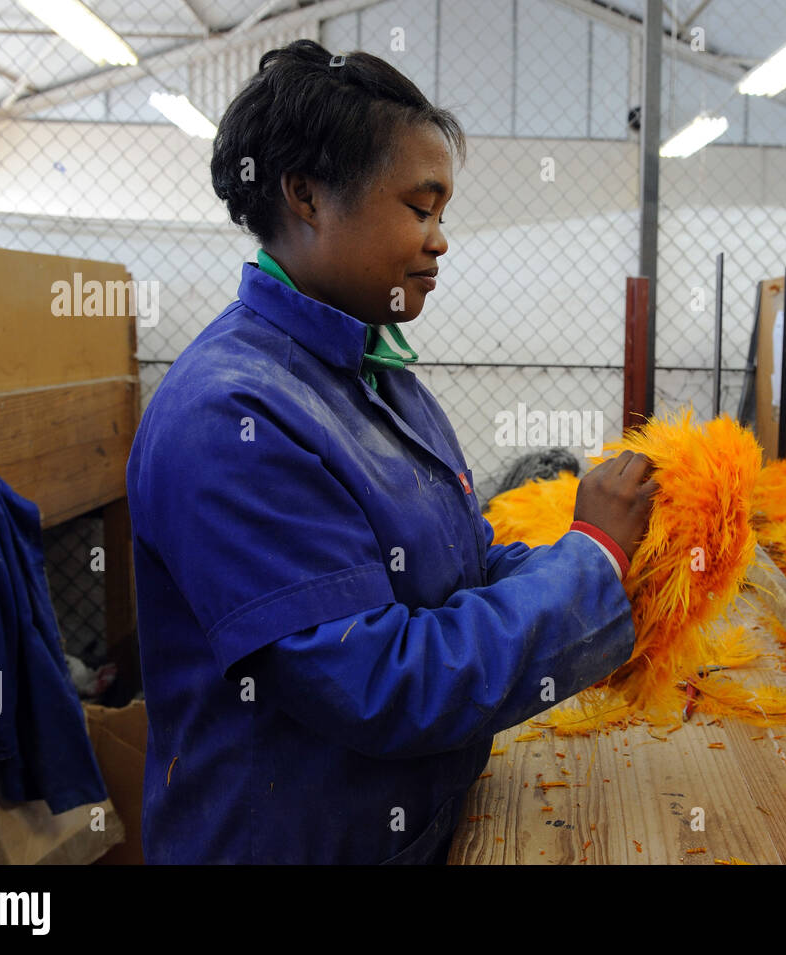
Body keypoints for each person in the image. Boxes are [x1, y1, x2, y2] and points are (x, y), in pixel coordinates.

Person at [125, 40, 657, 864]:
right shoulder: (231, 414)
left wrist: (618, 573)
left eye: (443, 213)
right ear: (306, 195)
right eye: (420, 207)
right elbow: (378, 681)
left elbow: (468, 569)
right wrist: (590, 559)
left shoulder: (380, 378)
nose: (440, 240)